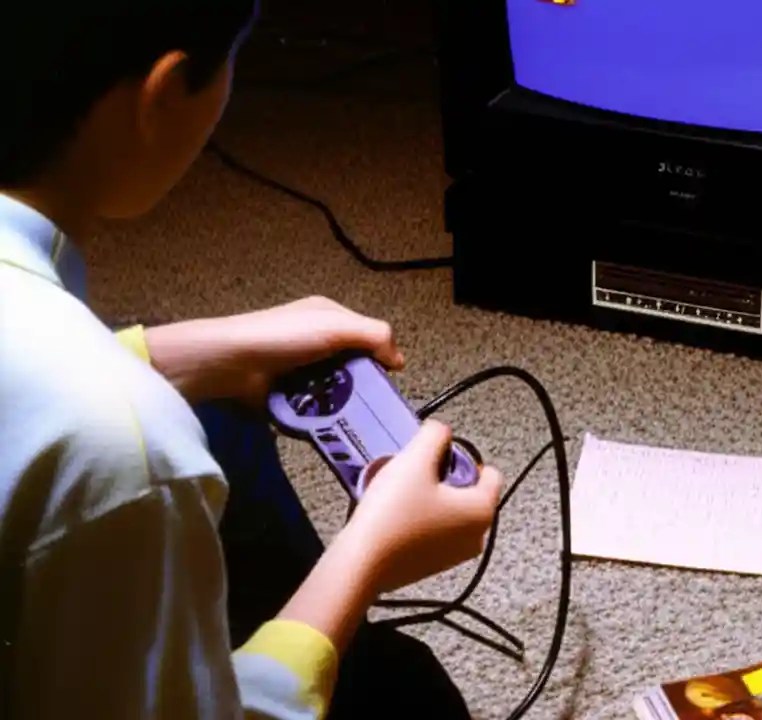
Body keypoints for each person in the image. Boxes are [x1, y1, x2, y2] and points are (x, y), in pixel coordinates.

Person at [0, 1, 504, 718]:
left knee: (222, 423)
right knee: (399, 689)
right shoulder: (128, 451)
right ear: (165, 95)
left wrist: (177, 353)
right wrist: (369, 555)